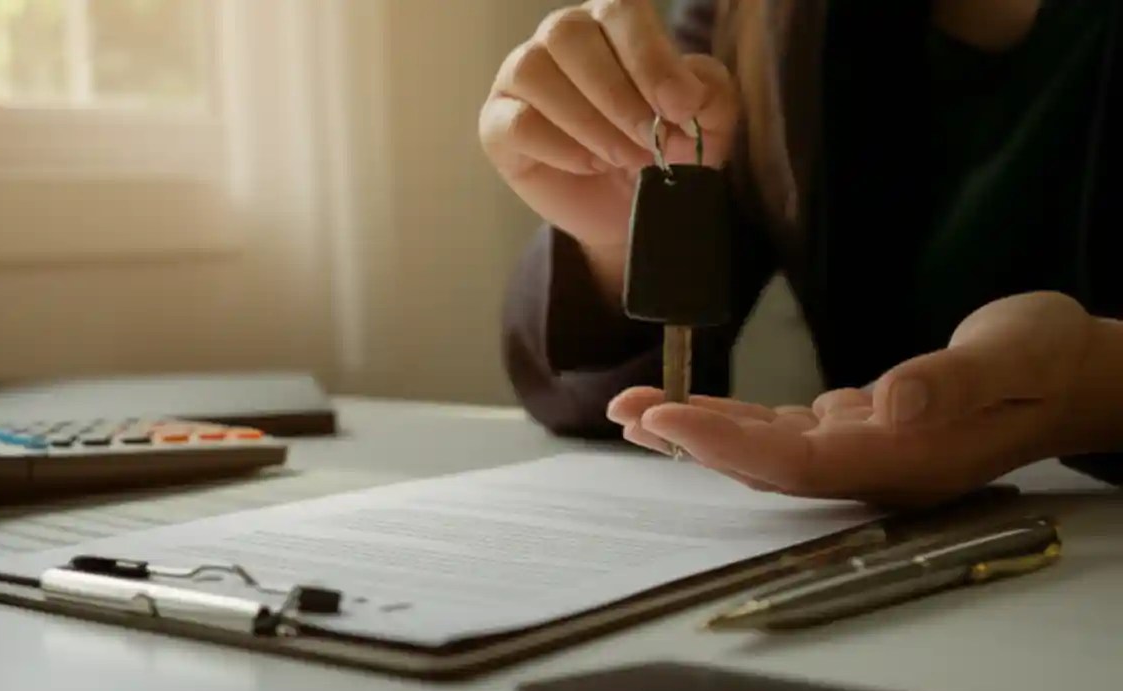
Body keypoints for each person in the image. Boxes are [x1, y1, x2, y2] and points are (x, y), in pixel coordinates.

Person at [479, 0, 1123, 504]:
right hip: (876, 562)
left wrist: (1104, 390)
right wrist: (620, 243)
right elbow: (609, 402)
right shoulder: (761, 18)